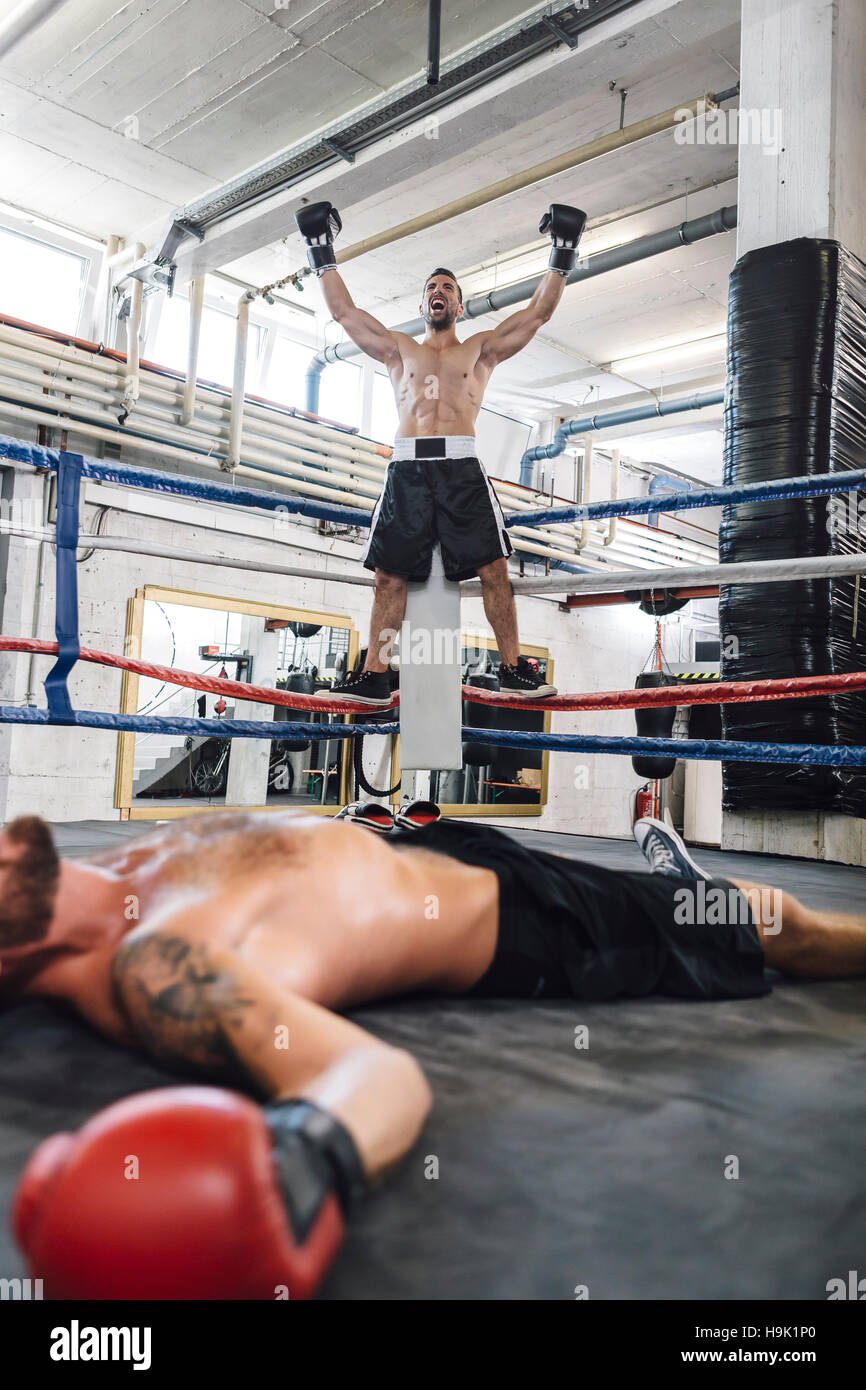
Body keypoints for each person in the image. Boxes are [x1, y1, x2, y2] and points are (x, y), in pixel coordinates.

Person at [5, 808, 866, 1299]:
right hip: (529, 919)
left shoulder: (93, 869)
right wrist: (305, 1159)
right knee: (773, 921)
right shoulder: (160, 965)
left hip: (434, 847)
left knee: (713, 900)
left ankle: (682, 888)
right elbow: (367, 1076)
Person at [295, 200, 588, 704]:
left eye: (447, 289)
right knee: (389, 576)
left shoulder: (480, 348)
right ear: (421, 305)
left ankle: (514, 669)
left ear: (459, 305)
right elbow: (343, 313)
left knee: (494, 567)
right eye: (431, 288)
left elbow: (537, 313)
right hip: (406, 466)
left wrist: (563, 253)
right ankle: (374, 673)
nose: (438, 293)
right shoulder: (397, 349)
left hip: (461, 467)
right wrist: (321, 250)